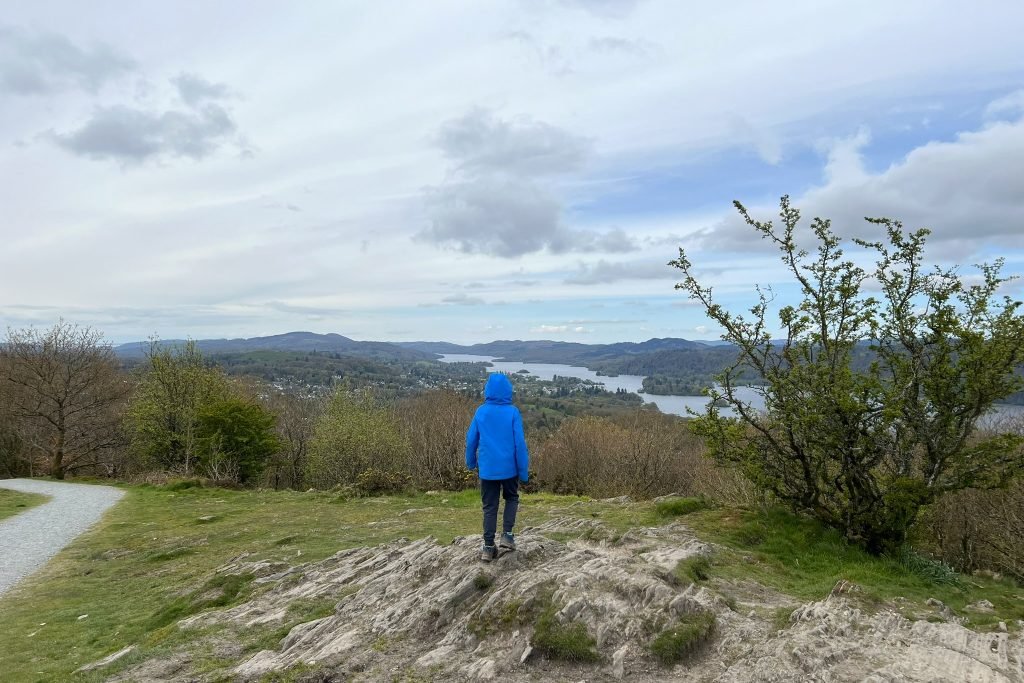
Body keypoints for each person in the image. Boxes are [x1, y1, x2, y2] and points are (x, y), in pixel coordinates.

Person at [465, 372, 529, 562]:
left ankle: (488, 547)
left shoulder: (481, 411)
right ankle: (507, 536)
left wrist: (471, 462)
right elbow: (520, 444)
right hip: (509, 468)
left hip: (488, 469)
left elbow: (471, 441)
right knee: (511, 497)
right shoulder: (513, 412)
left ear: (488, 390)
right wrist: (523, 471)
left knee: (490, 507)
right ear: (508, 391)